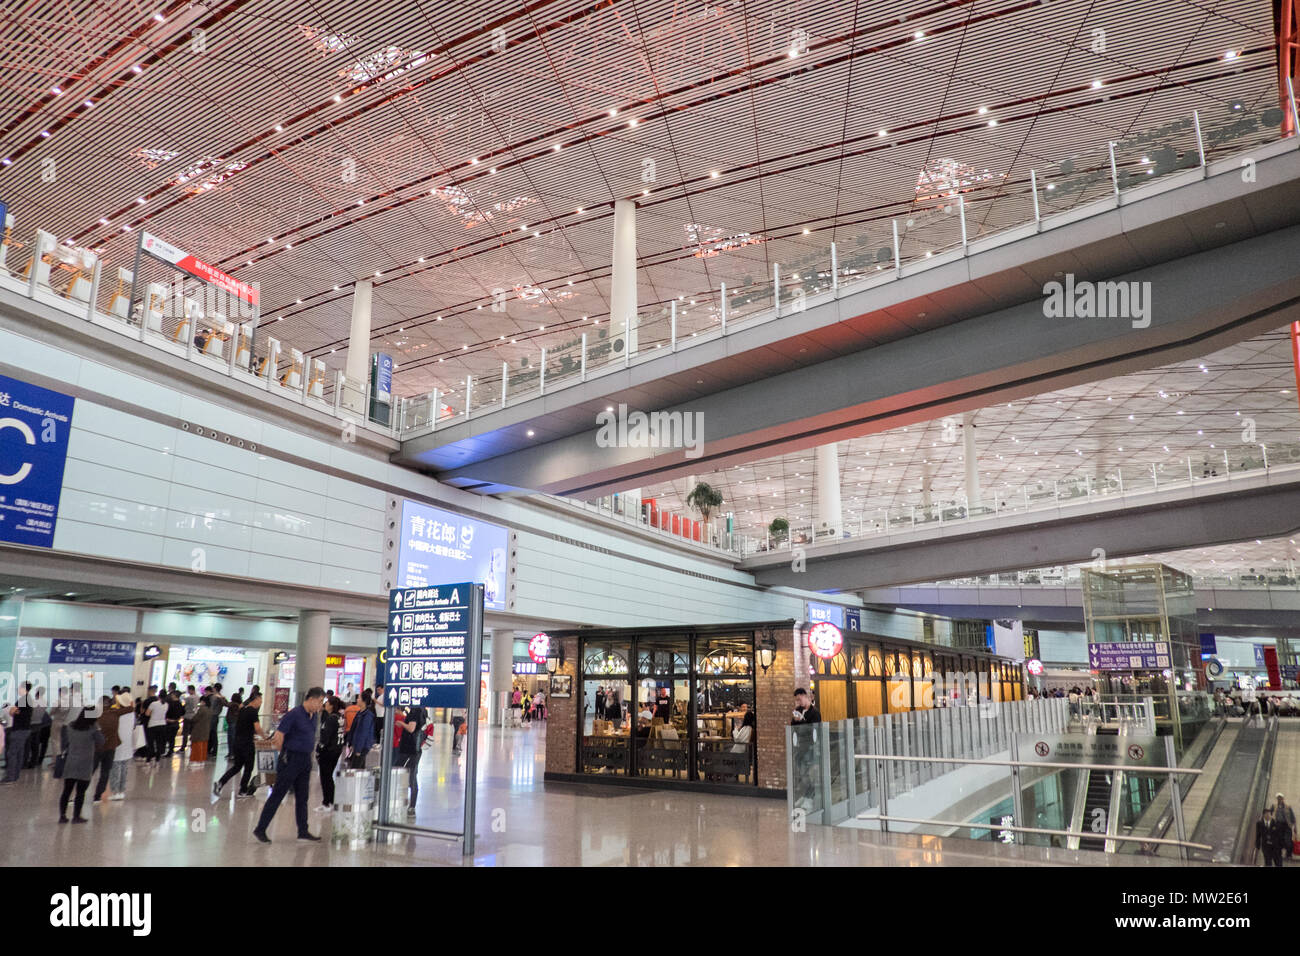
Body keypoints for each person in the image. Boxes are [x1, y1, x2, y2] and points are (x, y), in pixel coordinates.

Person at [253, 687, 326, 844]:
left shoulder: (314, 716)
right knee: (278, 794)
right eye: (320, 701)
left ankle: (303, 831)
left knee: (302, 796)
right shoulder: (294, 714)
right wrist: (285, 753)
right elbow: (279, 736)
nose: (321, 705)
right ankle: (260, 828)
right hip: (291, 759)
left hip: (305, 760)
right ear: (312, 699)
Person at [212, 691, 266, 800]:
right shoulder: (253, 711)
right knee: (248, 768)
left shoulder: (243, 710)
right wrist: (264, 736)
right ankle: (243, 790)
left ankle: (220, 783)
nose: (261, 703)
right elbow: (257, 728)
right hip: (247, 744)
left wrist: (252, 734)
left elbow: (244, 727)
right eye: (260, 701)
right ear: (255, 700)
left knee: (237, 766)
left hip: (238, 742)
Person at [59, 709, 104, 824]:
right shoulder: (92, 729)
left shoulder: (70, 726)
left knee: (66, 791)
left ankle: (62, 816)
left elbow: (65, 743)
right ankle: (76, 816)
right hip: (85, 763)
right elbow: (101, 742)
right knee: (80, 792)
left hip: (71, 762)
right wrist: (98, 728)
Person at [395, 703, 426, 813]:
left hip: (410, 748)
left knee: (409, 775)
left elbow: (411, 728)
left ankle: (410, 805)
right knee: (411, 774)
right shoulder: (421, 711)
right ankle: (410, 805)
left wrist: (401, 723)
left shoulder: (415, 711)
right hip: (414, 748)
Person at [315, 696, 344, 812]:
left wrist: (319, 749)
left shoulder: (331, 719)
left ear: (331, 705)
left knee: (325, 777)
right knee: (328, 777)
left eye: (327, 703)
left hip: (328, 752)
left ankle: (327, 802)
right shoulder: (339, 717)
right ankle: (331, 800)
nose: (325, 704)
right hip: (336, 751)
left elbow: (325, 737)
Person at [3, 682, 34, 783]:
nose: (18, 689)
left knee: (12, 753)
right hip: (25, 729)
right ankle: (15, 775)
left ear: (23, 688)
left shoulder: (22, 700)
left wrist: (13, 710)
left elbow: (12, 712)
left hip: (19, 730)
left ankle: (10, 777)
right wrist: (15, 711)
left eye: (19, 687)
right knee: (19, 753)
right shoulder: (29, 699)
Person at [92, 695, 121, 802]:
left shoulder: (96, 714)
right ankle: (98, 795)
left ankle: (81, 792)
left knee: (90, 770)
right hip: (111, 747)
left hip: (98, 747)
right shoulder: (115, 714)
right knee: (105, 772)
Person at [108, 692, 135, 800]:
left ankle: (115, 792)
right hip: (128, 743)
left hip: (117, 742)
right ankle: (121, 790)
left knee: (115, 767)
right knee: (124, 768)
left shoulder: (117, 713)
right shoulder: (132, 713)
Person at [346, 690, 375, 770]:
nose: (357, 700)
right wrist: (351, 743)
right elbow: (353, 729)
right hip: (357, 745)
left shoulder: (368, 715)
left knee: (356, 768)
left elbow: (363, 733)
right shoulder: (359, 713)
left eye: (359, 698)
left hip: (362, 747)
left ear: (363, 701)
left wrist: (358, 749)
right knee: (358, 768)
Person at [188, 697, 213, 763]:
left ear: (203, 702)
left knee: (197, 745)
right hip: (206, 729)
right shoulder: (210, 709)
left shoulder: (202, 709)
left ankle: (196, 759)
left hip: (199, 729)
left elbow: (195, 718)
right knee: (204, 745)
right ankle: (202, 759)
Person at [206, 683, 225, 760]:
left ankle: (213, 750)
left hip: (213, 716)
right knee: (212, 733)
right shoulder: (220, 696)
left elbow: (212, 707)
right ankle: (211, 749)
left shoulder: (215, 697)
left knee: (212, 733)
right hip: (215, 716)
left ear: (215, 688)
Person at [1276, 794, 1296, 860]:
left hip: (1287, 825)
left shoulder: (1288, 807)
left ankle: (1289, 854)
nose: (1279, 800)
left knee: (1288, 841)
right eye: (1278, 798)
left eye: (1280, 798)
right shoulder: (1275, 807)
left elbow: (1293, 817)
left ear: (1283, 799)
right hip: (1279, 825)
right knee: (1279, 840)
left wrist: (1295, 827)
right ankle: (1279, 854)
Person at [164, 690, 184, 756]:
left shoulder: (171, 704)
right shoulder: (180, 704)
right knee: (172, 738)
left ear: (174, 695)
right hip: (175, 723)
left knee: (169, 737)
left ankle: (168, 751)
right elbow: (182, 714)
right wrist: (177, 720)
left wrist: (169, 719)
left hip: (170, 723)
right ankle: (170, 750)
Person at [181, 685, 199, 753]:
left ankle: (183, 746)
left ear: (191, 690)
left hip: (188, 716)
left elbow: (185, 706)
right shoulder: (198, 697)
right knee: (193, 732)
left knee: (185, 732)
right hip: (194, 716)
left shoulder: (189, 698)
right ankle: (192, 746)